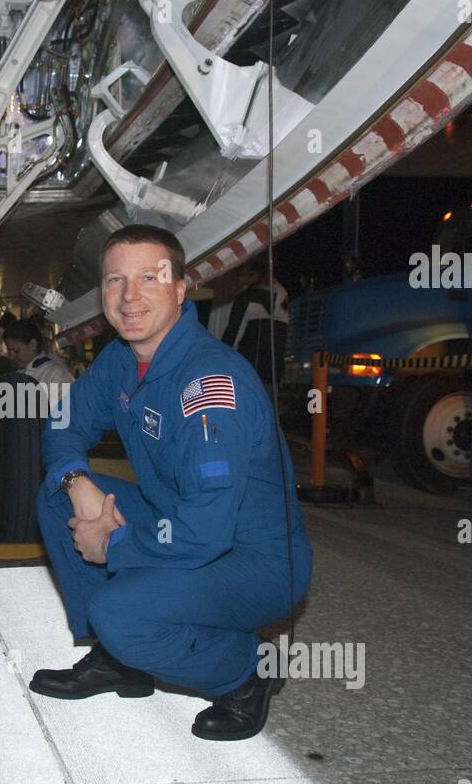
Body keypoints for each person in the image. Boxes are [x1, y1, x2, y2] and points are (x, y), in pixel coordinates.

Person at [32, 224, 313, 742]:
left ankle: (247, 670)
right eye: (115, 280)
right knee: (56, 496)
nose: (129, 296)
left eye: (149, 278)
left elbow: (205, 532)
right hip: (180, 525)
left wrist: (111, 543)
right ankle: (121, 661)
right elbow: (64, 423)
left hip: (252, 562)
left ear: (181, 290)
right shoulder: (123, 358)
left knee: (123, 613)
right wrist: (75, 480)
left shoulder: (209, 384)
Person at [220, 261, 290, 390]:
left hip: (248, 373)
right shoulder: (282, 293)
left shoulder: (247, 298)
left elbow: (232, 336)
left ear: (250, 273)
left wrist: (221, 364)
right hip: (273, 372)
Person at [1, 318, 76, 387]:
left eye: (16, 351)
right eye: (9, 351)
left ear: (33, 344)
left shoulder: (55, 373)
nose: (11, 357)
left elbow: (66, 401)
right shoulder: (17, 375)